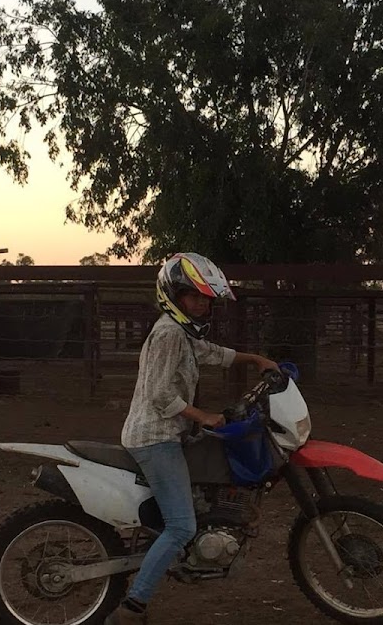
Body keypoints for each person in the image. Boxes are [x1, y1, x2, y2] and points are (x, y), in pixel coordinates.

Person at [108, 252, 278, 625]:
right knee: (182, 525)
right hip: (155, 438)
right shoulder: (168, 334)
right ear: (174, 294)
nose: (201, 304)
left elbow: (212, 353)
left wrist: (255, 359)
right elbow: (159, 395)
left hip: (168, 434)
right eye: (194, 296)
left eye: (206, 298)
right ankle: (132, 607)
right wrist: (205, 417)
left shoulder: (181, 332)